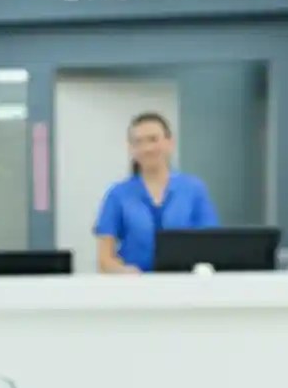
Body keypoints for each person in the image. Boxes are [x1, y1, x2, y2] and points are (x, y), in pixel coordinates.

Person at [93, 112, 219, 273]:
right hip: (135, 288)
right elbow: (104, 258)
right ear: (131, 148)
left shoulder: (193, 189)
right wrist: (122, 271)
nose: (147, 148)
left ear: (169, 143)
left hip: (185, 286)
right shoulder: (117, 195)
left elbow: (210, 245)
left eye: (153, 139)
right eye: (139, 142)